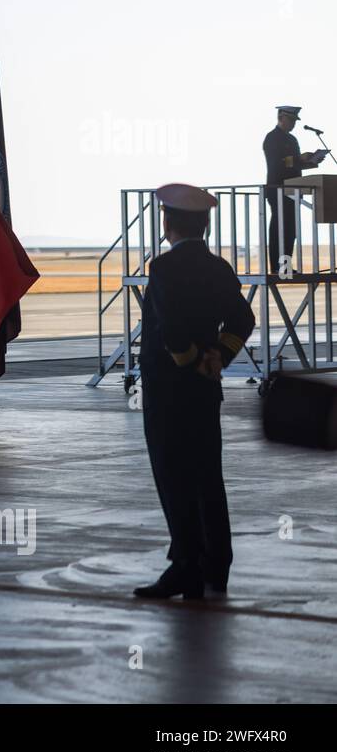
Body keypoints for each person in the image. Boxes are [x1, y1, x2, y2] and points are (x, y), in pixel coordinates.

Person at [133, 184, 255, 600]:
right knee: (207, 476)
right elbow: (244, 318)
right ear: (204, 224)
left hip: (169, 391)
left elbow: (171, 330)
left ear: (168, 222)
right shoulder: (219, 268)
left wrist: (187, 362)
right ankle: (215, 565)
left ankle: (186, 565)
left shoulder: (164, 268)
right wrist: (217, 356)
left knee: (174, 477)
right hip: (206, 390)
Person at [263, 105, 323, 274]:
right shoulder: (272, 138)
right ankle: (277, 267)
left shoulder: (292, 139)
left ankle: (286, 266)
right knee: (279, 229)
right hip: (278, 188)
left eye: (294, 121)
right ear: (281, 117)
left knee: (291, 231)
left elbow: (294, 164)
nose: (293, 124)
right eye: (290, 120)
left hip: (292, 189)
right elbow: (277, 163)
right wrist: (298, 158)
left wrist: (311, 161)